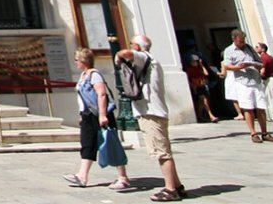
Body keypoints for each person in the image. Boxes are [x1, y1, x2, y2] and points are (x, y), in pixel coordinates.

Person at [116, 35, 187, 201]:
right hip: (152, 112)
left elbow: (125, 53)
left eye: (132, 44)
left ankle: (170, 190)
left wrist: (118, 55)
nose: (130, 46)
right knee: (163, 151)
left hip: (152, 112)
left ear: (138, 47)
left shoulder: (144, 57)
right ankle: (177, 185)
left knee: (162, 153)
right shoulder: (150, 62)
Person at [64, 47, 133, 191]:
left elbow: (101, 94)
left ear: (83, 60)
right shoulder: (83, 75)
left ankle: (123, 177)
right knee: (87, 144)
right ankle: (82, 176)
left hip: (99, 115)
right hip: (87, 115)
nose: (75, 62)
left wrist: (102, 115)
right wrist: (81, 114)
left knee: (111, 143)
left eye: (76, 60)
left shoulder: (94, 75)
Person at [221, 29, 273, 143]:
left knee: (261, 107)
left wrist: (255, 65)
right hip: (242, 82)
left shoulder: (249, 48)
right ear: (234, 39)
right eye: (240, 41)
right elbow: (227, 65)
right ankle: (253, 133)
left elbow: (260, 63)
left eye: (243, 40)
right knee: (248, 108)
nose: (243, 43)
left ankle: (264, 133)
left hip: (255, 80)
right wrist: (239, 67)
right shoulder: (229, 50)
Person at [184, 55, 220, 122]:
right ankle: (211, 116)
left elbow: (206, 74)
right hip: (196, 86)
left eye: (196, 61)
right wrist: (192, 85)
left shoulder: (200, 67)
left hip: (202, 85)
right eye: (193, 61)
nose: (195, 63)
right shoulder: (189, 69)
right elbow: (188, 78)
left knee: (201, 102)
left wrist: (202, 65)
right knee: (204, 100)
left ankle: (199, 116)